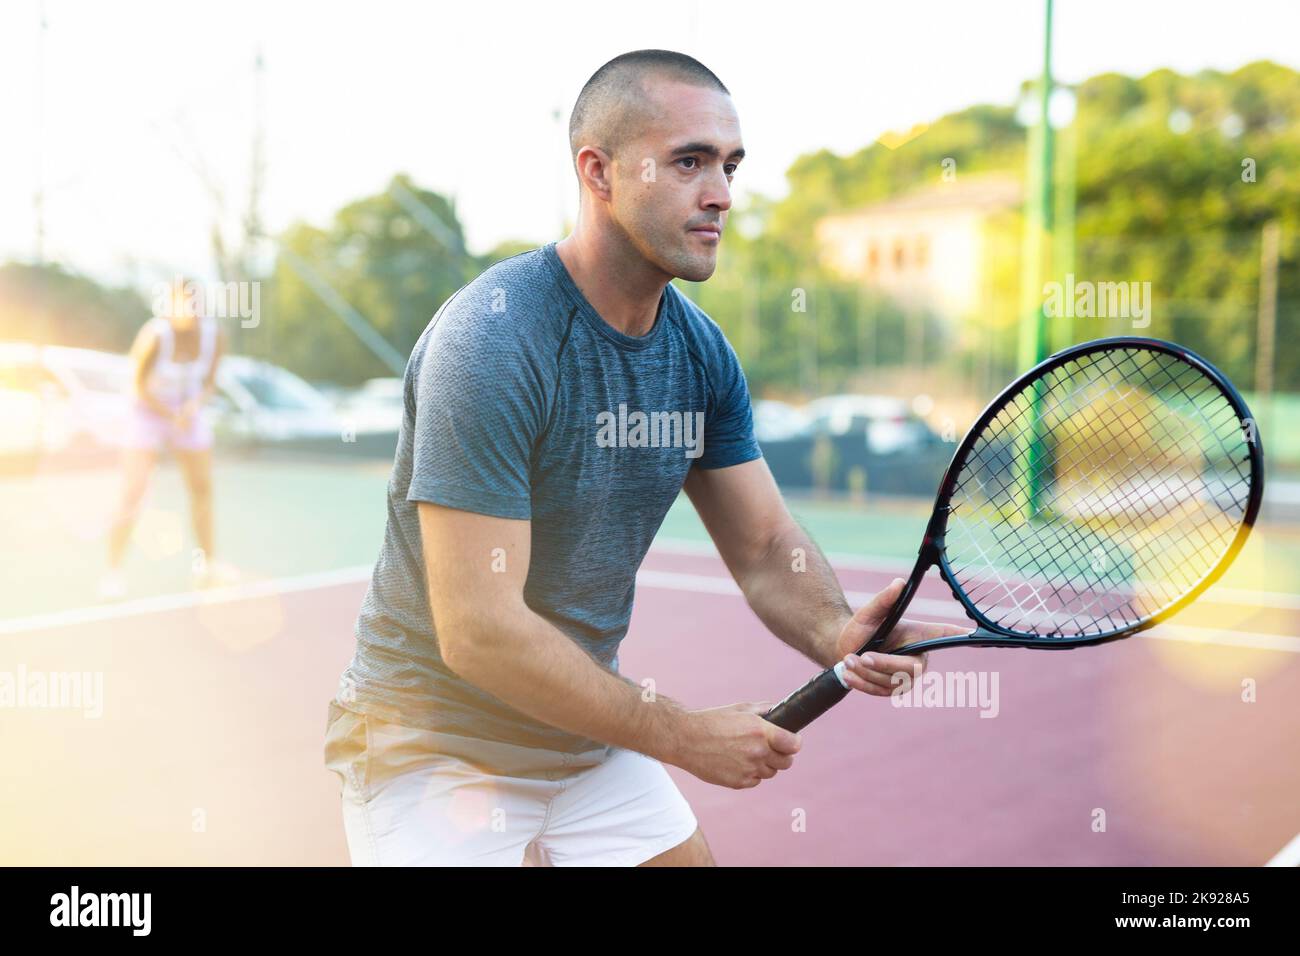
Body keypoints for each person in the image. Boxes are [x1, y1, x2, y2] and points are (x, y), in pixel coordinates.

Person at [325, 49, 968, 867]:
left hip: (581, 735)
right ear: (598, 172)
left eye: (730, 165)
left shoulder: (700, 354)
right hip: (431, 747)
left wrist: (836, 630)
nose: (721, 194)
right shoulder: (493, 341)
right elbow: (479, 631)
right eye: (689, 162)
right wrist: (683, 736)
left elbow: (765, 545)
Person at [99, 277, 238, 599]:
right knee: (133, 492)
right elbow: (138, 386)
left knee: (202, 488)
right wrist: (168, 414)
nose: (191, 309)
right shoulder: (155, 335)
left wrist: (192, 407)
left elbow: (209, 382)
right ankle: (112, 572)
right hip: (147, 411)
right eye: (184, 303)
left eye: (197, 303)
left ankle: (208, 566)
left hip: (186, 413)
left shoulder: (214, 335)